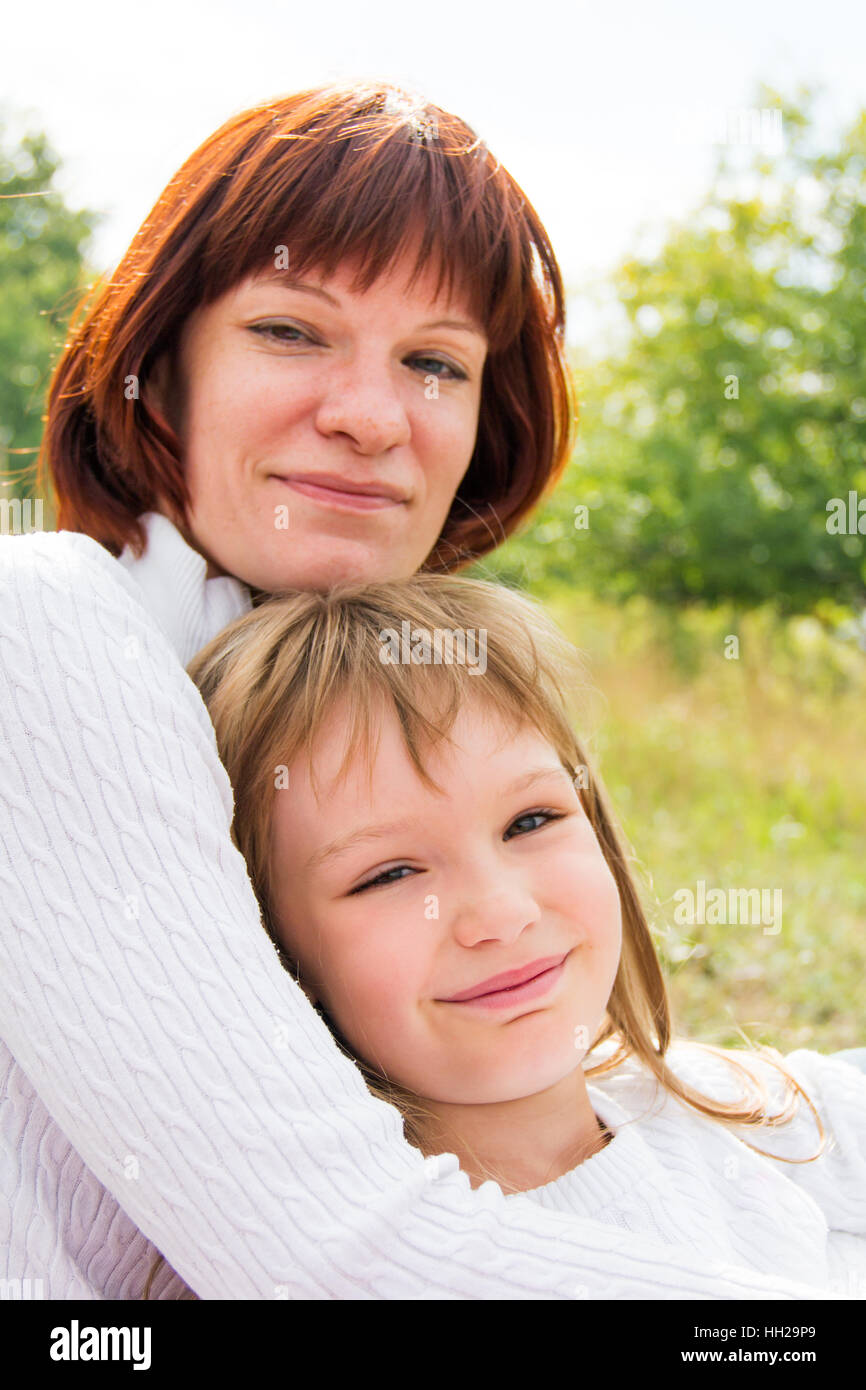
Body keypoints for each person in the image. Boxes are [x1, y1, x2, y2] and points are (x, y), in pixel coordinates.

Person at [0, 78, 851, 1301]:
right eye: (290, 331)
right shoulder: (40, 624)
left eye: (434, 362)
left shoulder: (315, 695)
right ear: (159, 366)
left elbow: (528, 1078)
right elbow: (338, 1251)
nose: (367, 416)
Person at [144, 573, 862, 1301]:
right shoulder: (374, 1265)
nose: (501, 913)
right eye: (389, 874)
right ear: (272, 953)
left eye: (530, 821)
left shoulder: (707, 1103)